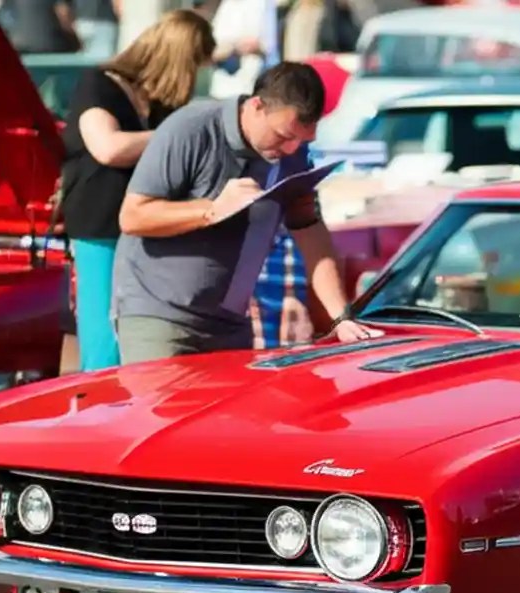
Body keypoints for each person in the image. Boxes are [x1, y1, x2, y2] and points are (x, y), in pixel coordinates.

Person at [113, 61, 377, 363]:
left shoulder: (293, 152)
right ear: (256, 107)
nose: (291, 149)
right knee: (164, 411)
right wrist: (210, 211)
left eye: (302, 141)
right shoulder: (190, 128)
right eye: (282, 135)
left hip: (230, 324)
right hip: (161, 317)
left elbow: (310, 231)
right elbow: (132, 216)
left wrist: (340, 318)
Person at [59, 9, 216, 372]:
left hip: (147, 227)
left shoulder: (161, 104)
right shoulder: (99, 85)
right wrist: (178, 132)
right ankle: (99, 415)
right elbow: (108, 147)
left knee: (136, 334)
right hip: (99, 228)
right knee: (104, 338)